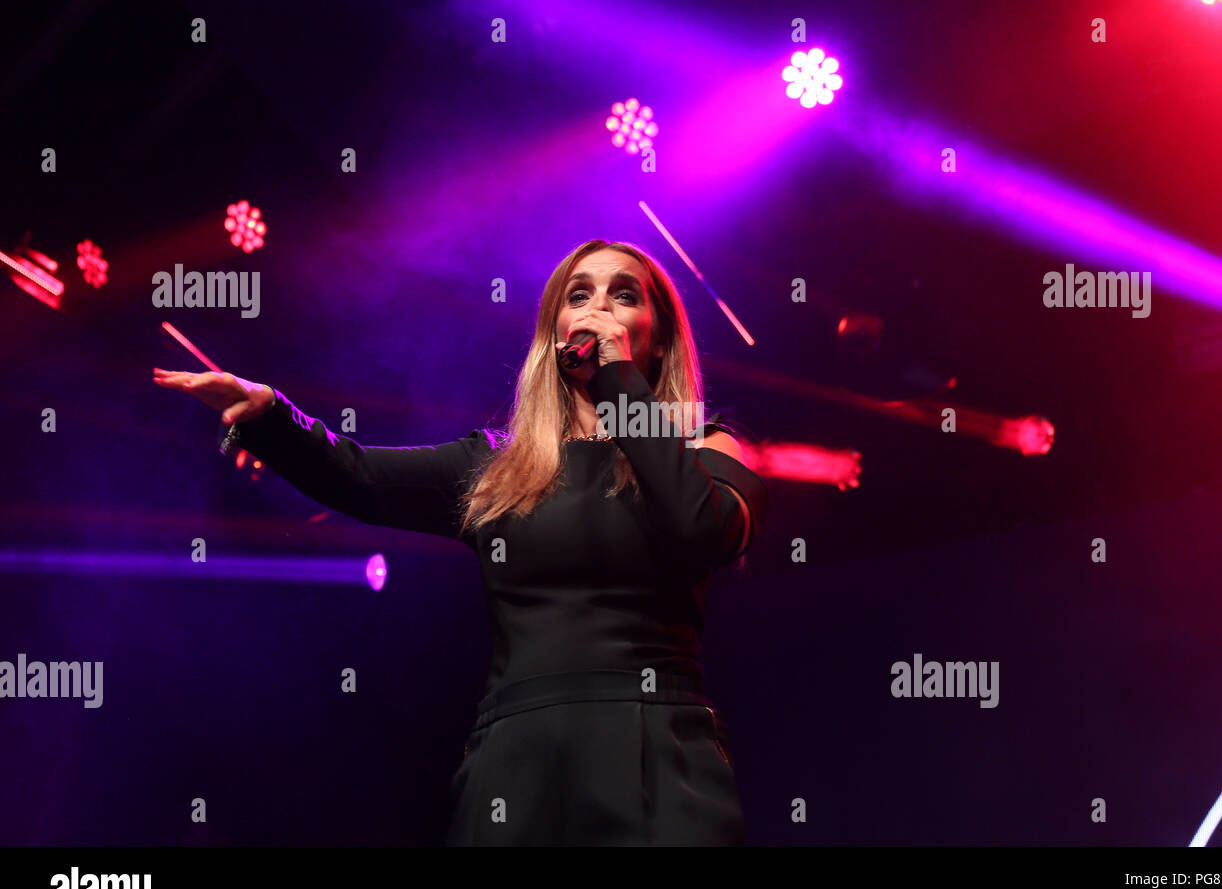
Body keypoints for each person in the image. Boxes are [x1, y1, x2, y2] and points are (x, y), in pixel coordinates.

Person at [153, 239, 769, 845]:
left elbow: (704, 529)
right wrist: (270, 418)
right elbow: (359, 475)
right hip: (519, 761)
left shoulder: (702, 449)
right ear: (554, 334)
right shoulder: (500, 467)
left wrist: (618, 382)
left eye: (623, 295)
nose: (598, 308)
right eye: (579, 294)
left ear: (658, 335)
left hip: (655, 755)